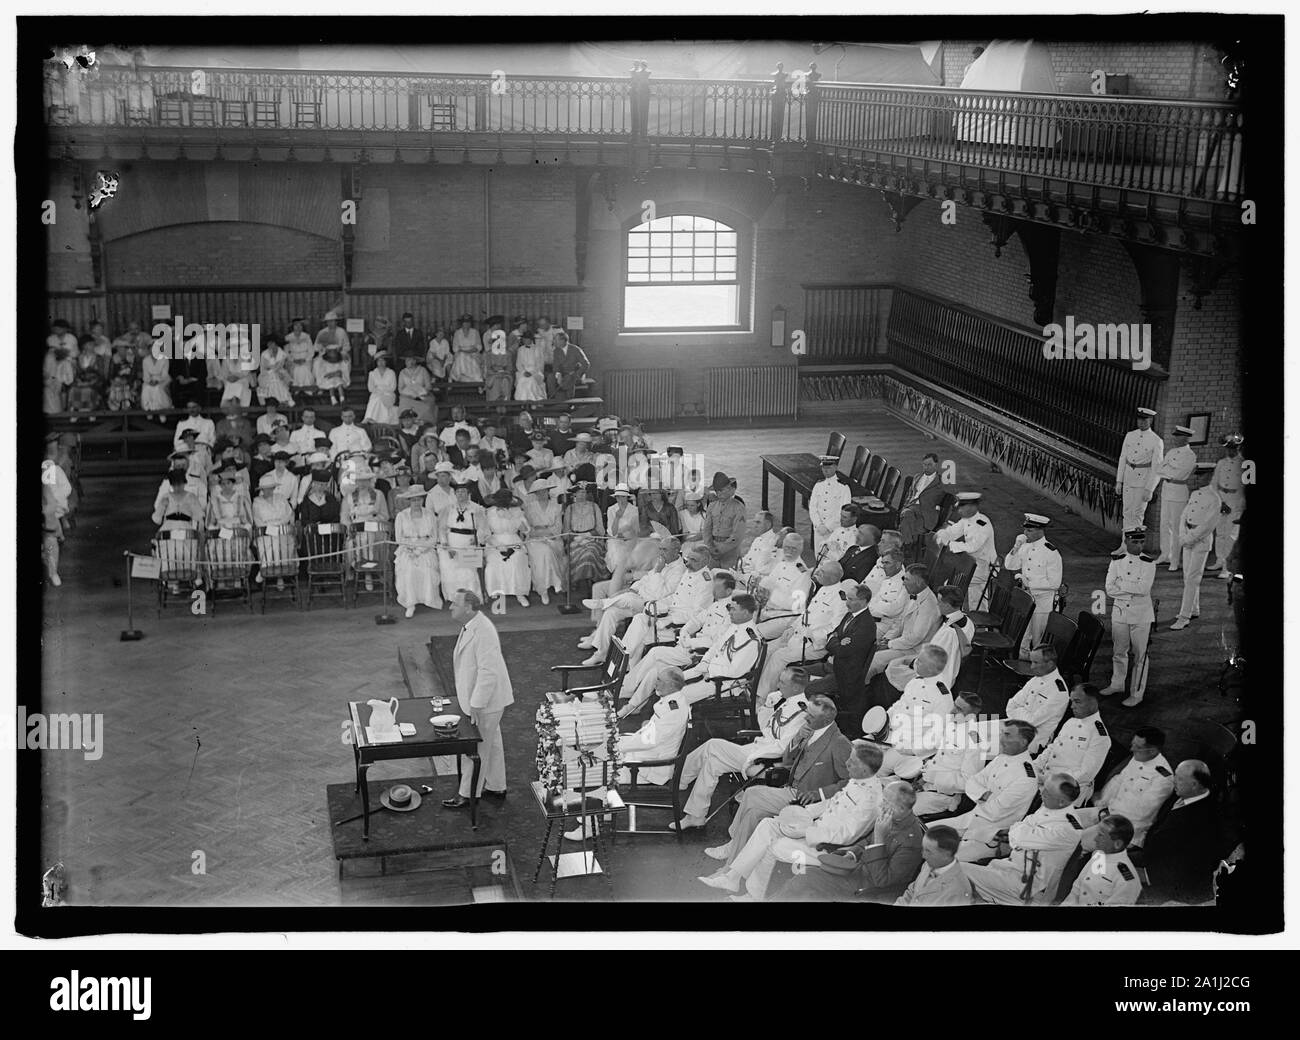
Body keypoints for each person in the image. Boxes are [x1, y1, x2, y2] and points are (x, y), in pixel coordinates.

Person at [698, 742, 885, 901]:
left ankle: (754, 896)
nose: (847, 762)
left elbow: (846, 835)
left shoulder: (870, 799)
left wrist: (805, 831)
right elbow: (831, 803)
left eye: (852, 760)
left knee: (774, 846)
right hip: (815, 829)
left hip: (827, 848)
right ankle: (732, 877)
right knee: (768, 824)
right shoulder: (858, 781)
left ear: (864, 768)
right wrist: (802, 814)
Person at [776, 780, 925, 902]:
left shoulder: (911, 841)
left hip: (866, 887)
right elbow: (866, 841)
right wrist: (852, 853)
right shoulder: (891, 817)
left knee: (805, 879)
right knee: (803, 880)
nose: (880, 805)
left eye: (885, 801)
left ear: (900, 809)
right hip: (854, 869)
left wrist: (879, 838)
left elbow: (883, 881)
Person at [617, 569, 737, 717]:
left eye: (718, 588)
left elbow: (717, 641)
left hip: (700, 655)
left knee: (655, 653)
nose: (713, 590)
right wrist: (685, 631)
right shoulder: (715, 605)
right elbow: (697, 620)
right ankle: (634, 705)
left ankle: (626, 687)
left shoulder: (731, 611)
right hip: (689, 647)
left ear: (729, 590)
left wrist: (691, 641)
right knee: (655, 671)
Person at [442, 589, 513, 809]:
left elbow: (488, 671)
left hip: (486, 702)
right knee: (492, 743)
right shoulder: (473, 625)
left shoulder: (483, 630)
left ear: (469, 607)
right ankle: (496, 785)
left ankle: (468, 793)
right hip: (485, 699)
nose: (451, 607)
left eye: (455, 603)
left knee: (476, 748)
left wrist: (476, 704)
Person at [1129, 759, 1230, 904]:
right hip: (1150, 859)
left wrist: (1145, 875)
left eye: (1179, 778)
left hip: (1174, 887)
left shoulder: (1208, 821)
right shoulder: (1182, 794)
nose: (1173, 781)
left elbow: (1189, 866)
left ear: (1194, 784)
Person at [946, 719, 1039, 862]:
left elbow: (995, 811)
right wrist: (985, 795)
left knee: (943, 859)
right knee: (925, 832)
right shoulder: (1001, 758)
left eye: (1007, 735)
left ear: (1023, 742)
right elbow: (971, 782)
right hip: (970, 820)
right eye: (1002, 733)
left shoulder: (1026, 777)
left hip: (988, 836)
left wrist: (981, 794)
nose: (1001, 738)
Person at [1069, 727, 1174, 850]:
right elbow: (1118, 781)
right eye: (1133, 744)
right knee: (1065, 820)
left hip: (1125, 829)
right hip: (1106, 812)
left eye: (1138, 747)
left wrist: (1107, 814)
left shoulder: (1163, 778)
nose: (1132, 749)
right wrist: (1101, 802)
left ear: (1152, 751)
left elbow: (1141, 812)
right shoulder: (1138, 758)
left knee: (1075, 842)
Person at [756, 560, 849, 696]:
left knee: (779, 657)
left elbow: (834, 628)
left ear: (833, 578)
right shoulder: (823, 588)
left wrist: (811, 635)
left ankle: (761, 696)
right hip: (797, 636)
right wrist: (792, 628)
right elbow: (806, 613)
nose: (817, 572)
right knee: (767, 648)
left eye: (822, 572)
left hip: (813, 644)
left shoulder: (840, 599)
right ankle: (754, 683)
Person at [806, 583, 877, 737]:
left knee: (810, 689)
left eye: (851, 599)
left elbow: (840, 649)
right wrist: (836, 640)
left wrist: (835, 641)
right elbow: (832, 634)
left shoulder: (866, 625)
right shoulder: (851, 614)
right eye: (847, 598)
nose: (847, 602)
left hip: (845, 676)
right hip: (835, 665)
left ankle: (812, 728)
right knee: (797, 673)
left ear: (864, 601)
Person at [1100, 527, 1158, 706]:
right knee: (1119, 651)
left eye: (1142, 542)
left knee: (1140, 655)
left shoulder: (1149, 563)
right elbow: (1109, 589)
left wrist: (1121, 584)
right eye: (1135, 542)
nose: (1139, 545)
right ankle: (1117, 684)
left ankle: (1137, 693)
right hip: (1120, 613)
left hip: (1141, 616)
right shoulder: (1116, 561)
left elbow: (1143, 590)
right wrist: (1131, 588)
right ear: (1126, 542)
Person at [678, 594, 763, 706]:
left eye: (733, 609)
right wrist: (705, 662)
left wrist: (709, 669)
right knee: (671, 679)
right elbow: (716, 646)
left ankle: (677, 720)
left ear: (746, 613)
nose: (730, 612)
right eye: (729, 608)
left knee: (677, 697)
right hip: (708, 670)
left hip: (723, 683)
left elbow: (735, 671)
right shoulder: (735, 625)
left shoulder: (751, 639)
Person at [1034, 684, 1110, 805]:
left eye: (1077, 702)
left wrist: (1050, 780)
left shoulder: (1099, 736)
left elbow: (1086, 774)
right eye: (1072, 701)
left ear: (1093, 703)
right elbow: (1052, 748)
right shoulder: (1071, 722)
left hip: (1065, 791)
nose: (1072, 706)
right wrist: (1035, 766)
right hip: (1044, 779)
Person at [911, 693, 986, 816]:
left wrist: (933, 777)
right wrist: (923, 778)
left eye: (960, 709)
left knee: (899, 811)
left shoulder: (975, 742)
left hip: (944, 795)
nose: (952, 711)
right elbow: (941, 757)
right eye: (955, 705)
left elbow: (968, 782)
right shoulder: (953, 723)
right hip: (925, 784)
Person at [886, 585, 971, 691]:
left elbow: (932, 657)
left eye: (940, 602)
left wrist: (913, 663)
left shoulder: (949, 632)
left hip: (934, 675)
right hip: (950, 669)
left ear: (948, 606)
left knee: (894, 666)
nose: (937, 604)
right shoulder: (968, 622)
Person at [1169, 463, 1223, 630]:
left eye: (1201, 475)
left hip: (1200, 542)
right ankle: (1194, 609)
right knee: (1187, 577)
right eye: (1197, 475)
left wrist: (1189, 538)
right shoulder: (1194, 494)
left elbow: (1207, 526)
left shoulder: (1214, 499)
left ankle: (1184, 616)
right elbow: (1184, 515)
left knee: (1193, 578)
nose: (1198, 478)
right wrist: (1183, 536)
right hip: (1188, 539)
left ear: (1209, 477)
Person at [865, 564, 941, 682]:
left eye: (906, 579)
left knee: (874, 660)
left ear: (919, 582)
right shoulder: (913, 594)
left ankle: (862, 691)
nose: (903, 583)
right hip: (902, 642)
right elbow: (900, 621)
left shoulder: (929, 605)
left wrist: (889, 644)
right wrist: (886, 639)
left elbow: (915, 638)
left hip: (914, 650)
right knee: (868, 648)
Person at [1002, 512, 1062, 653]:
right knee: (1022, 636)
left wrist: (1029, 584)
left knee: (1037, 640)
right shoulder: (1025, 547)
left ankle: (1038, 668)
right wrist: (1016, 547)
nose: (1025, 533)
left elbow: (1054, 583)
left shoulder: (1051, 552)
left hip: (1041, 603)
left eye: (1030, 530)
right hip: (1026, 599)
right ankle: (1022, 662)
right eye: (1025, 529)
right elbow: (1009, 565)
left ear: (1040, 531)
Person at [1059, 815, 1143, 906]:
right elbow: (1077, 889)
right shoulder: (1098, 855)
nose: (1095, 839)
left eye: (1101, 835)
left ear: (1117, 844)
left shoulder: (1127, 880)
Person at [933, 490, 997, 611]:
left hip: (983, 567)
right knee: (976, 599)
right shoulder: (966, 520)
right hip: (971, 565)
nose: (959, 510)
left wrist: (951, 544)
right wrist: (941, 534)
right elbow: (952, 532)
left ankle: (953, 614)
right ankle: (969, 618)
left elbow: (973, 547)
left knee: (952, 586)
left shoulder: (982, 524)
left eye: (963, 507)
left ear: (972, 507)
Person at [1003, 644, 1070, 754]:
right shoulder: (1036, 678)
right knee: (970, 731)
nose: (1031, 667)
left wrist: (1019, 710)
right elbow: (1010, 706)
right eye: (1031, 662)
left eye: (1036, 663)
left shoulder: (1059, 692)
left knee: (977, 745)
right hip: (1013, 726)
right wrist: (1023, 714)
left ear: (1050, 664)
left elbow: (1031, 722)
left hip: (1030, 740)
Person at [1115, 406, 1164, 550]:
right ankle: (1124, 545)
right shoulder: (1130, 435)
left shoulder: (1156, 440)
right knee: (1127, 513)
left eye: (1145, 420)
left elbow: (1157, 468)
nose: (1142, 422)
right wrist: (1119, 480)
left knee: (1137, 515)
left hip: (1142, 482)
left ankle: (1135, 548)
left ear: (1151, 421)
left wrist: (1150, 489)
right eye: (1140, 419)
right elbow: (1123, 458)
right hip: (1129, 479)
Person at [393, 485, 443, 617]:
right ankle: (410, 603)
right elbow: (399, 539)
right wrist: (411, 549)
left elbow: (434, 537)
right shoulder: (401, 516)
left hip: (426, 548)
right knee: (409, 571)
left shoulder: (429, 514)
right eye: (413, 500)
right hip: (407, 549)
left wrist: (422, 549)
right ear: (409, 501)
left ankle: (428, 598)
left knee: (427, 569)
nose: (416, 503)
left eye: (419, 499)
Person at [1152, 424, 1196, 568]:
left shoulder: (1190, 455)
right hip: (1167, 489)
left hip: (1179, 491)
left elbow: (1179, 474)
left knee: (1177, 527)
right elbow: (1159, 469)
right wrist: (1168, 471)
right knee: (1164, 524)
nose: (1176, 439)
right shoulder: (1171, 452)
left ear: (1186, 438)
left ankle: (1175, 560)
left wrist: (1168, 471)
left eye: (1179, 436)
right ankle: (1165, 554)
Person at [754, 533, 813, 639]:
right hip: (768, 611)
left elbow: (796, 604)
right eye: (787, 547)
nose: (789, 551)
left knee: (753, 635)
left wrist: (770, 595)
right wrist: (761, 588)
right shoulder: (782, 564)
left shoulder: (802, 574)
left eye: (793, 549)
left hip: (786, 617)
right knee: (739, 622)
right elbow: (769, 582)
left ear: (800, 550)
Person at [895, 825, 973, 905]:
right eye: (923, 849)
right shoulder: (928, 865)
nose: (923, 856)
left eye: (928, 851)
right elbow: (912, 892)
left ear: (946, 854)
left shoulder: (959, 890)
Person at [438, 481, 486, 603]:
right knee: (452, 571)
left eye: (463, 492)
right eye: (458, 492)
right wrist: (446, 545)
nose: (460, 494)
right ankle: (455, 597)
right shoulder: (448, 508)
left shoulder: (476, 508)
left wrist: (477, 539)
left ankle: (471, 597)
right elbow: (442, 528)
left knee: (469, 572)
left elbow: (483, 527)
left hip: (469, 542)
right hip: (452, 541)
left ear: (468, 494)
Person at [483, 488, 531, 607]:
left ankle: (519, 593)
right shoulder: (489, 512)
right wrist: (496, 545)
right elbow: (484, 533)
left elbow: (526, 530)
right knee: (494, 561)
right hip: (495, 542)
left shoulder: (517, 511)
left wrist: (513, 518)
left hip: (514, 539)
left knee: (517, 560)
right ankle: (497, 590)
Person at [1209, 433, 1246, 573]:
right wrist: (1220, 501)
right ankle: (1219, 560)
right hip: (1221, 499)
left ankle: (1227, 566)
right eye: (1228, 449)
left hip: (1236, 500)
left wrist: (1240, 506)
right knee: (1220, 533)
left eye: (1234, 448)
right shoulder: (1221, 463)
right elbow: (1214, 483)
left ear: (1239, 448)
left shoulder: (1246, 464)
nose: (1231, 451)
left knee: (1231, 534)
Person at [897, 452, 951, 548]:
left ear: (936, 465)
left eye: (929, 465)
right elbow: (910, 494)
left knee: (907, 524)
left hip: (927, 512)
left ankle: (904, 545)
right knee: (907, 514)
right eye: (924, 465)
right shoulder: (917, 477)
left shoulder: (941, 482)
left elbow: (941, 497)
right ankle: (907, 547)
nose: (926, 467)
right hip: (912, 507)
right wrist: (906, 505)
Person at [562, 480, 606, 589]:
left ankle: (593, 583)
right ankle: (576, 579)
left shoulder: (594, 507)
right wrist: (576, 538)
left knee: (590, 553)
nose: (582, 494)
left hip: (593, 539)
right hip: (575, 541)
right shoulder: (570, 509)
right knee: (577, 553)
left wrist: (587, 535)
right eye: (579, 492)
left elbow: (601, 529)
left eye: (584, 492)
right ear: (574, 494)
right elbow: (565, 531)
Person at [701, 471, 747, 567]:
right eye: (717, 491)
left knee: (727, 577)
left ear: (730, 490)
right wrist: (710, 546)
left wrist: (721, 549)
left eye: (722, 491)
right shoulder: (712, 506)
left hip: (730, 550)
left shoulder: (738, 507)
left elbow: (738, 534)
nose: (719, 494)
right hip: (712, 548)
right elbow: (706, 529)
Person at [808, 455, 851, 556]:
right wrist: (818, 524)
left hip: (834, 530)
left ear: (835, 467)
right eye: (824, 468)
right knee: (818, 555)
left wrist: (828, 527)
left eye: (829, 468)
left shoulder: (843, 487)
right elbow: (813, 507)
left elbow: (844, 511)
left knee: (833, 556)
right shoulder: (818, 485)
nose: (826, 470)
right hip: (819, 529)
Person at [737, 511, 779, 579]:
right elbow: (747, 557)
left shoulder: (774, 542)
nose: (755, 526)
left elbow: (768, 569)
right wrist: (739, 565)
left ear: (768, 524)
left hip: (756, 579)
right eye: (754, 522)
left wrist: (747, 571)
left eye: (758, 522)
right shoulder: (757, 540)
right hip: (744, 574)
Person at [549, 330, 590, 399]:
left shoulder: (575, 349)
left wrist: (577, 374)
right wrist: (558, 375)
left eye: (556, 340)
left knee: (568, 379)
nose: (554, 342)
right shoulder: (556, 351)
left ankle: (569, 401)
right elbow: (556, 366)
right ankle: (553, 399)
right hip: (563, 374)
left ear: (562, 340)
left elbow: (586, 364)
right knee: (550, 377)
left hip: (574, 374)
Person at [361, 353, 398, 425]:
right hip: (376, 394)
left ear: (386, 362)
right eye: (379, 361)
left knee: (379, 399)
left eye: (383, 361)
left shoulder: (391, 372)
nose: (381, 363)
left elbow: (393, 387)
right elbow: (370, 388)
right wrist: (379, 391)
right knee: (375, 399)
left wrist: (381, 389)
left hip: (389, 395)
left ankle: (374, 419)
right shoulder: (372, 373)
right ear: (376, 362)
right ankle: (370, 418)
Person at [397, 355, 435, 423]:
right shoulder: (402, 372)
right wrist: (409, 394)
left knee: (427, 405)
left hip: (422, 396)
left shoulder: (423, 370)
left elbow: (428, 386)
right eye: (406, 361)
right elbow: (400, 388)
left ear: (414, 361)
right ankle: (407, 423)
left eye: (409, 360)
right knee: (404, 404)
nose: (406, 362)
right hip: (407, 396)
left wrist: (422, 393)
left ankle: (423, 423)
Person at [285, 317, 317, 392]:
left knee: (304, 368)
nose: (298, 327)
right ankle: (296, 389)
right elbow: (286, 352)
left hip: (305, 359)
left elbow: (311, 351)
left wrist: (305, 359)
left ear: (302, 327)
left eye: (300, 325)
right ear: (292, 327)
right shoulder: (288, 337)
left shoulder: (307, 336)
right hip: (293, 360)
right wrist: (293, 360)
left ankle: (307, 389)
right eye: (296, 325)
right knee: (296, 369)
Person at [449, 313, 484, 383]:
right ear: (462, 323)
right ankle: (461, 377)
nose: (466, 324)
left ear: (470, 323)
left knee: (472, 359)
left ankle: (475, 379)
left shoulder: (475, 332)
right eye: (465, 322)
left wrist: (469, 351)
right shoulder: (457, 333)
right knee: (461, 357)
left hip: (473, 353)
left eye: (468, 322)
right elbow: (455, 348)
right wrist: (463, 351)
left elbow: (479, 347)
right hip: (460, 353)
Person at [514, 333, 546, 401]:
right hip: (523, 372)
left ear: (531, 339)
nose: (525, 340)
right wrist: (524, 372)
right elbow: (518, 364)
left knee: (530, 380)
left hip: (535, 372)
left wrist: (532, 373)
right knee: (523, 379)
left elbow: (540, 364)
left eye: (526, 339)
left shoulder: (538, 348)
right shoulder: (520, 349)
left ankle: (533, 400)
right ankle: (522, 401)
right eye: (524, 339)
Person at [139, 345, 172, 412]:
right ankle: (149, 409)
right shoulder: (145, 360)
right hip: (150, 380)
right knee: (146, 387)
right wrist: (149, 381)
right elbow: (145, 375)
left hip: (163, 379)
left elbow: (164, 374)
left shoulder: (165, 359)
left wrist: (157, 381)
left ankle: (160, 409)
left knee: (157, 388)